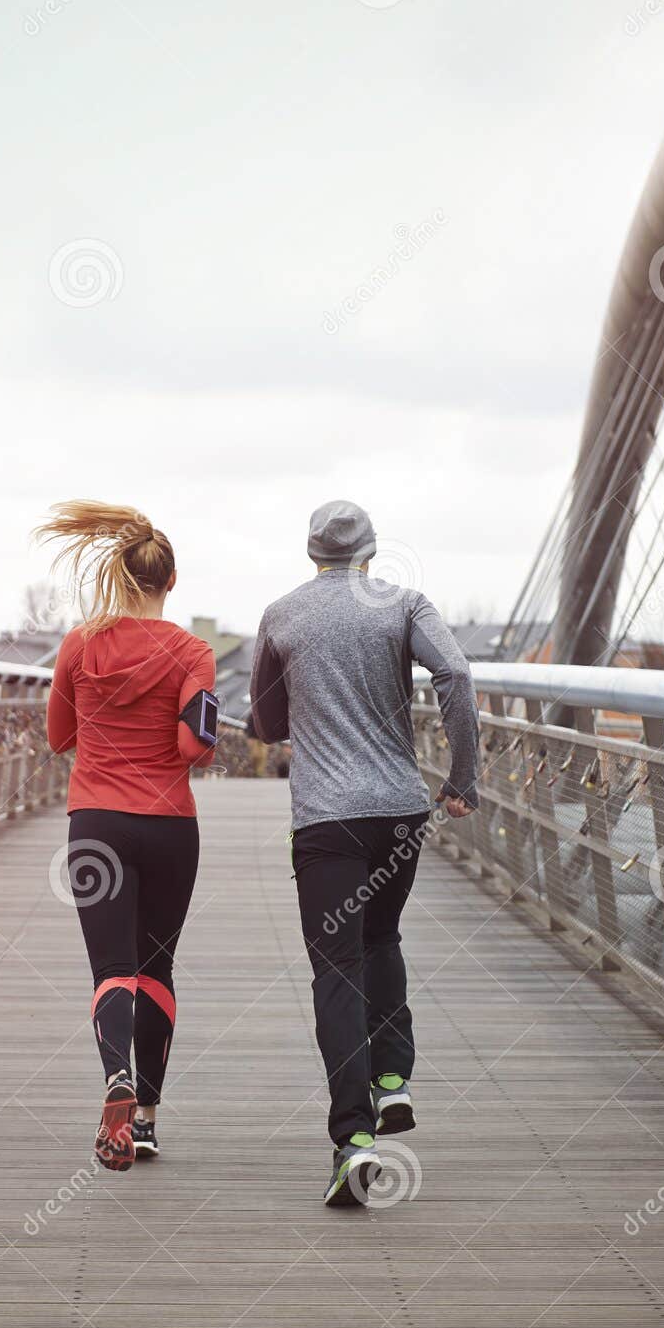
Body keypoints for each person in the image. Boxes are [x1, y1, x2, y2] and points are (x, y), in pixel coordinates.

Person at [249, 500, 479, 1206]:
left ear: (311, 553)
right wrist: (462, 779)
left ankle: (353, 1137)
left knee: (336, 971)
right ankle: (392, 1080)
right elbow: (458, 677)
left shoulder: (282, 615)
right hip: (401, 812)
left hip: (326, 821)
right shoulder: (405, 604)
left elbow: (264, 724)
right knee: (381, 936)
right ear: (370, 554)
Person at [38, 502, 217, 1171]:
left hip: (97, 825)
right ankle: (143, 1119)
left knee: (112, 969)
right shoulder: (193, 652)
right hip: (170, 827)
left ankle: (114, 1076)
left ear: (118, 575)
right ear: (172, 582)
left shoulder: (80, 644)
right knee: (157, 968)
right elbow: (194, 746)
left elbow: (59, 737)